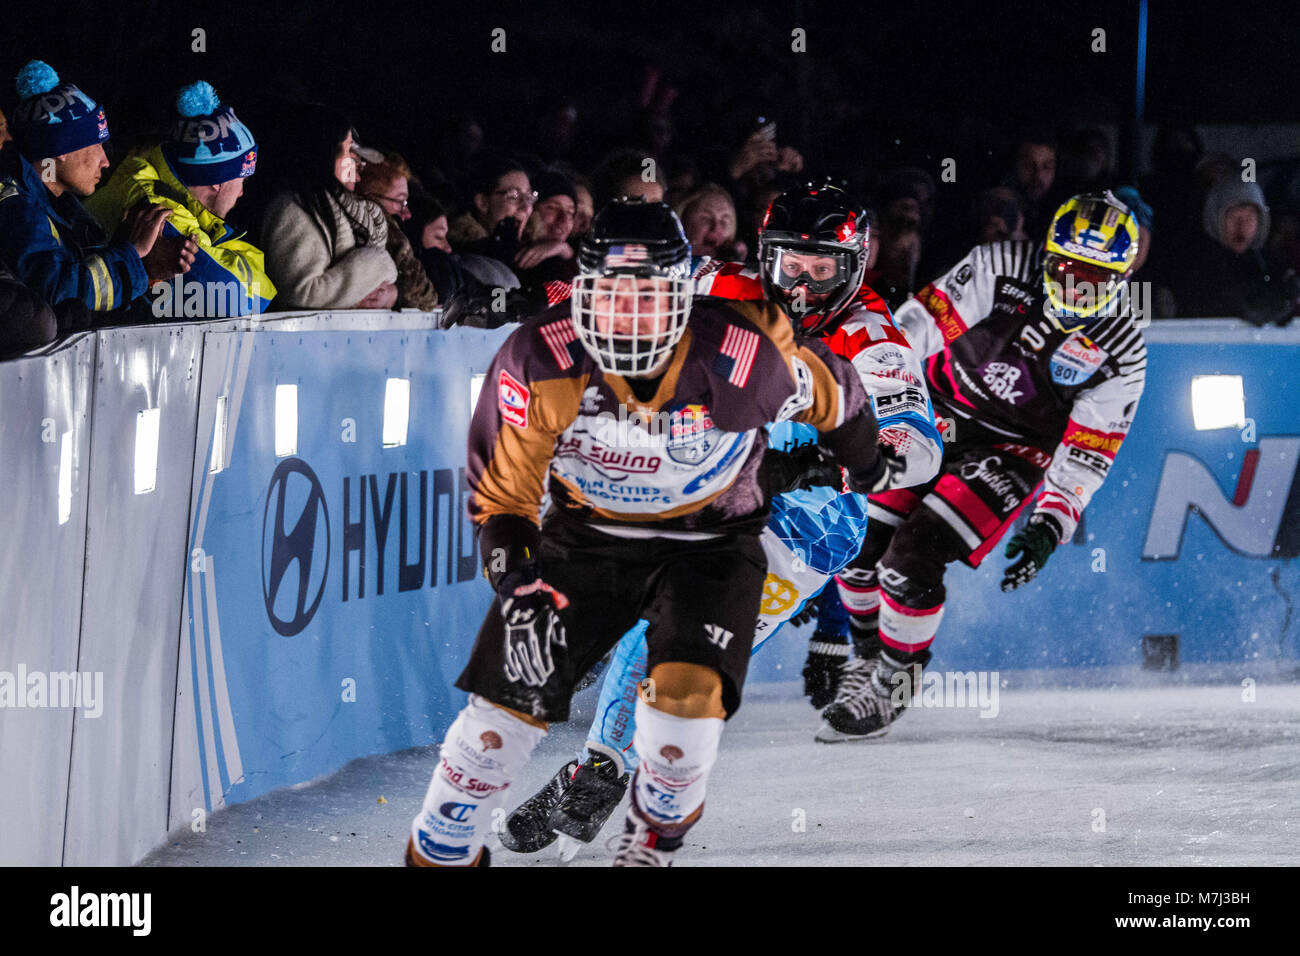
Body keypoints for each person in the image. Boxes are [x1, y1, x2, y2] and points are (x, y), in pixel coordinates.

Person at [405, 199, 887, 867]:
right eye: (612, 297)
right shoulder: (538, 357)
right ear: (582, 294)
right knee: (499, 713)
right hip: (590, 538)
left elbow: (845, 399)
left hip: (716, 541)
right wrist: (514, 577)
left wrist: (856, 465)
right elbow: (501, 496)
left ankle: (646, 824)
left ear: (683, 299)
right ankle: (443, 845)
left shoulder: (750, 344)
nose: (630, 319)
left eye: (651, 298)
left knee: (682, 711)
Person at [817, 191, 1146, 742]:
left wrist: (1051, 521)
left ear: (1121, 278)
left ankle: (896, 680)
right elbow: (914, 328)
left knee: (911, 558)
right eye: (1066, 268)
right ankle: (868, 657)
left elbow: (1091, 446)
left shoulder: (1122, 349)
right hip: (937, 410)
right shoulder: (998, 265)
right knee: (857, 542)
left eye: (1094, 277)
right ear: (1045, 253)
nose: (1074, 288)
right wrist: (870, 389)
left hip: (1013, 449)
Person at [0, 60, 185, 317]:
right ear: (61, 149)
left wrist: (147, 268)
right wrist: (131, 252)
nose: (105, 161)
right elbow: (55, 294)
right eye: (96, 145)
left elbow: (89, 294)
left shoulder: (60, 207)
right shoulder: (15, 207)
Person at [84, 81, 274, 319]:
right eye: (241, 181)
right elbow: (239, 301)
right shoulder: (161, 212)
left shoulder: (152, 183)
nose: (241, 193)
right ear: (218, 181)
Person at [260, 107, 398, 310]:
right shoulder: (293, 209)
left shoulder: (335, 206)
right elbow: (302, 292)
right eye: (349, 151)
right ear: (324, 153)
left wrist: (390, 294)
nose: (356, 164)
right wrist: (379, 264)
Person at [1167, 177, 1298, 325]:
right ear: (1216, 218)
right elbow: (1249, 309)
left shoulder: (1268, 264)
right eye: (1234, 217)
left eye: (1249, 218)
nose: (1241, 226)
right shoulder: (1198, 263)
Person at [358, 153, 437, 310]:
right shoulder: (381, 225)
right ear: (372, 196)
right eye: (400, 201)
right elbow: (423, 293)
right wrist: (398, 294)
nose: (407, 213)